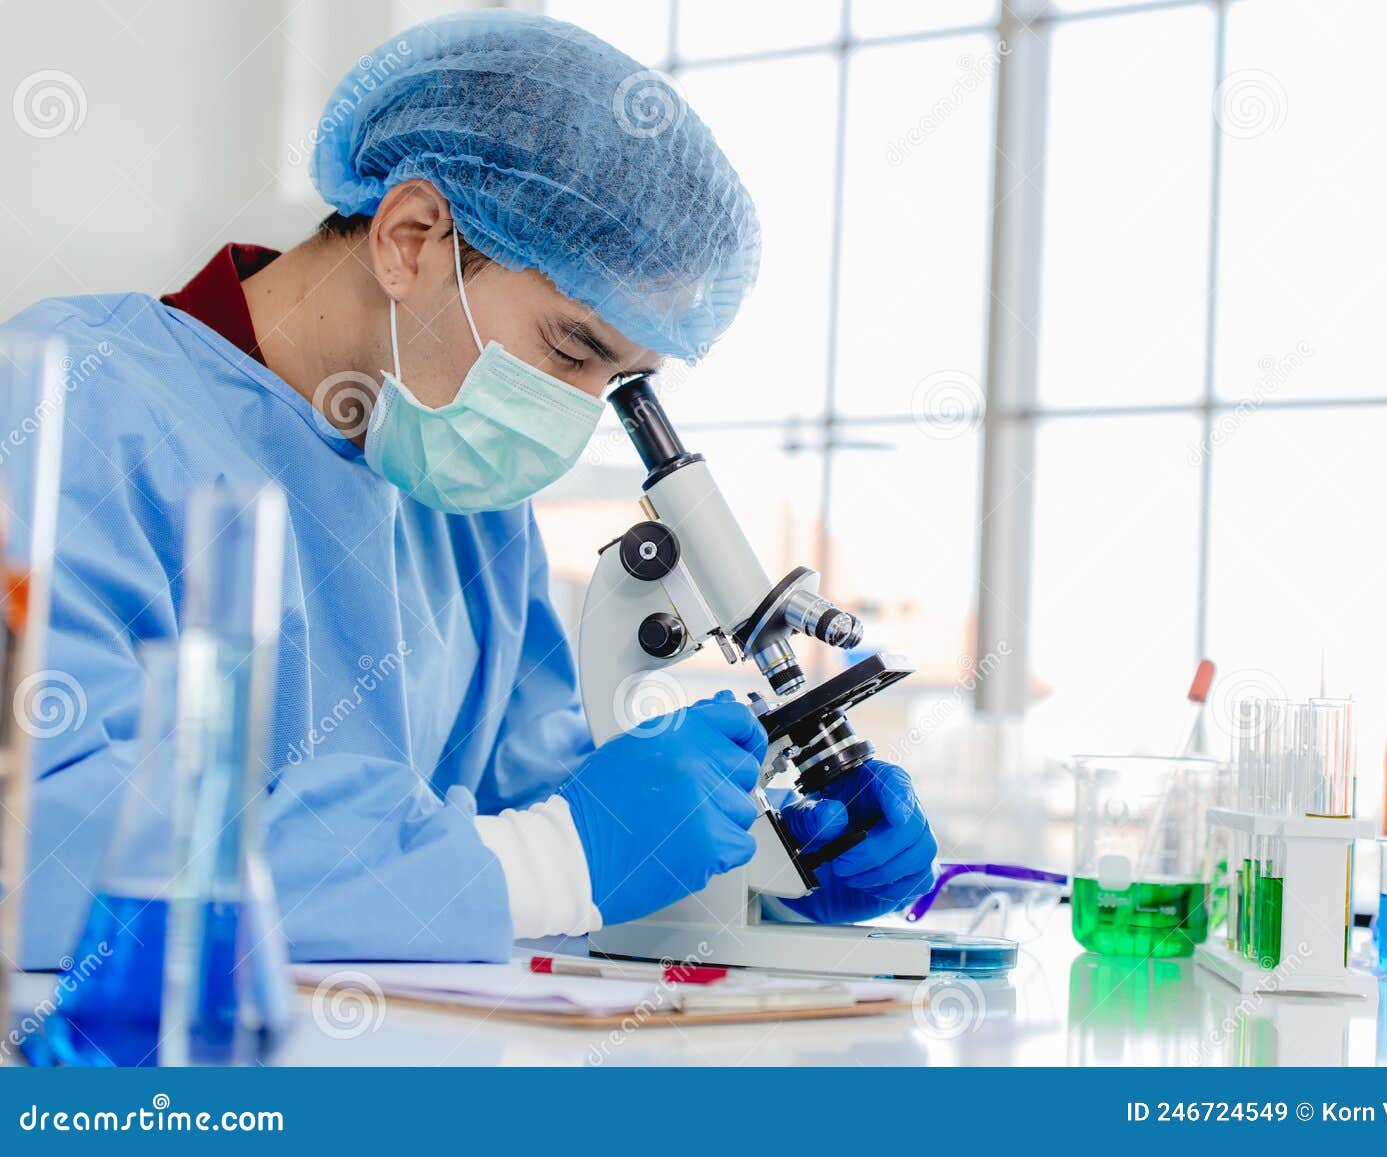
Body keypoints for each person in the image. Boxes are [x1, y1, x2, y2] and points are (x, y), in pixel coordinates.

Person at [6, 11, 936, 967]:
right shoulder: (64, 399)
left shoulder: (463, 498)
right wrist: (552, 860)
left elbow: (547, 824)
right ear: (410, 239)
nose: (574, 414)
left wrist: (755, 870)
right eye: (570, 347)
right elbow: (44, 844)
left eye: (614, 382)